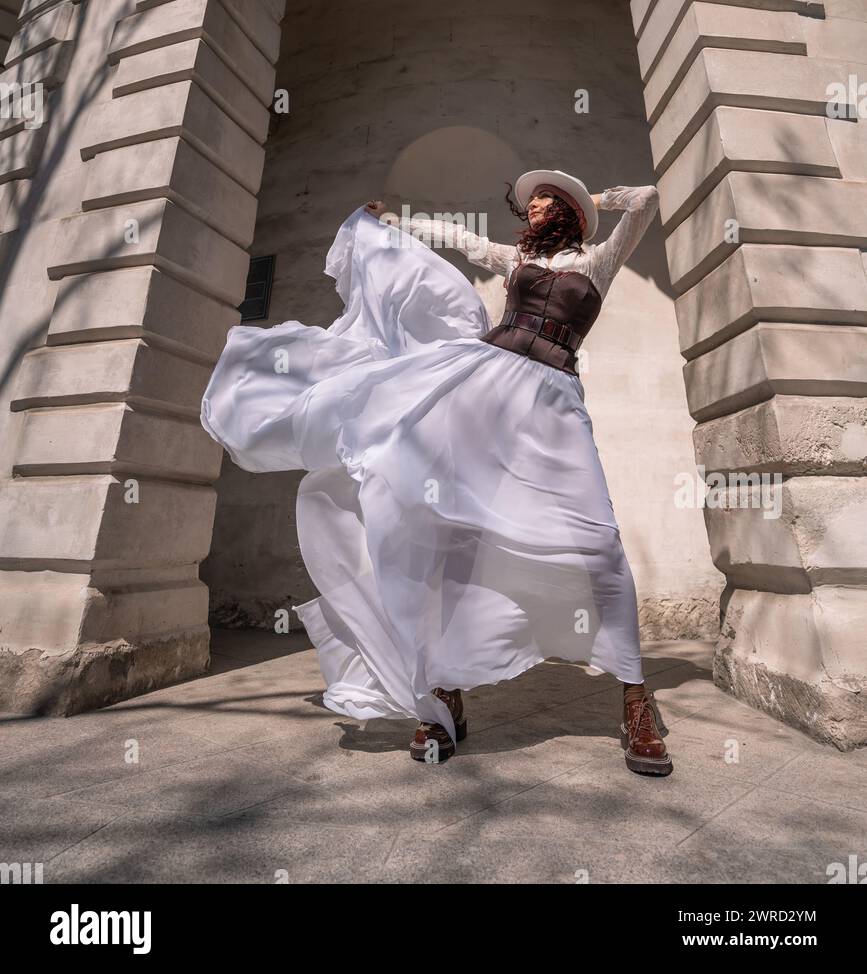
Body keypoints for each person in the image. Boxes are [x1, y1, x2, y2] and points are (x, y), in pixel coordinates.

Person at [201, 169, 673, 777]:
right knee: (450, 533)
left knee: (598, 544)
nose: (531, 210)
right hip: (484, 385)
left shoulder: (602, 259)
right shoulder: (515, 259)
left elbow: (647, 201)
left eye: (544, 203)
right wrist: (394, 225)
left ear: (568, 213)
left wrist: (590, 198)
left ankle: (635, 699)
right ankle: (444, 689)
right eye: (528, 204)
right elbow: (460, 240)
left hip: (554, 403)